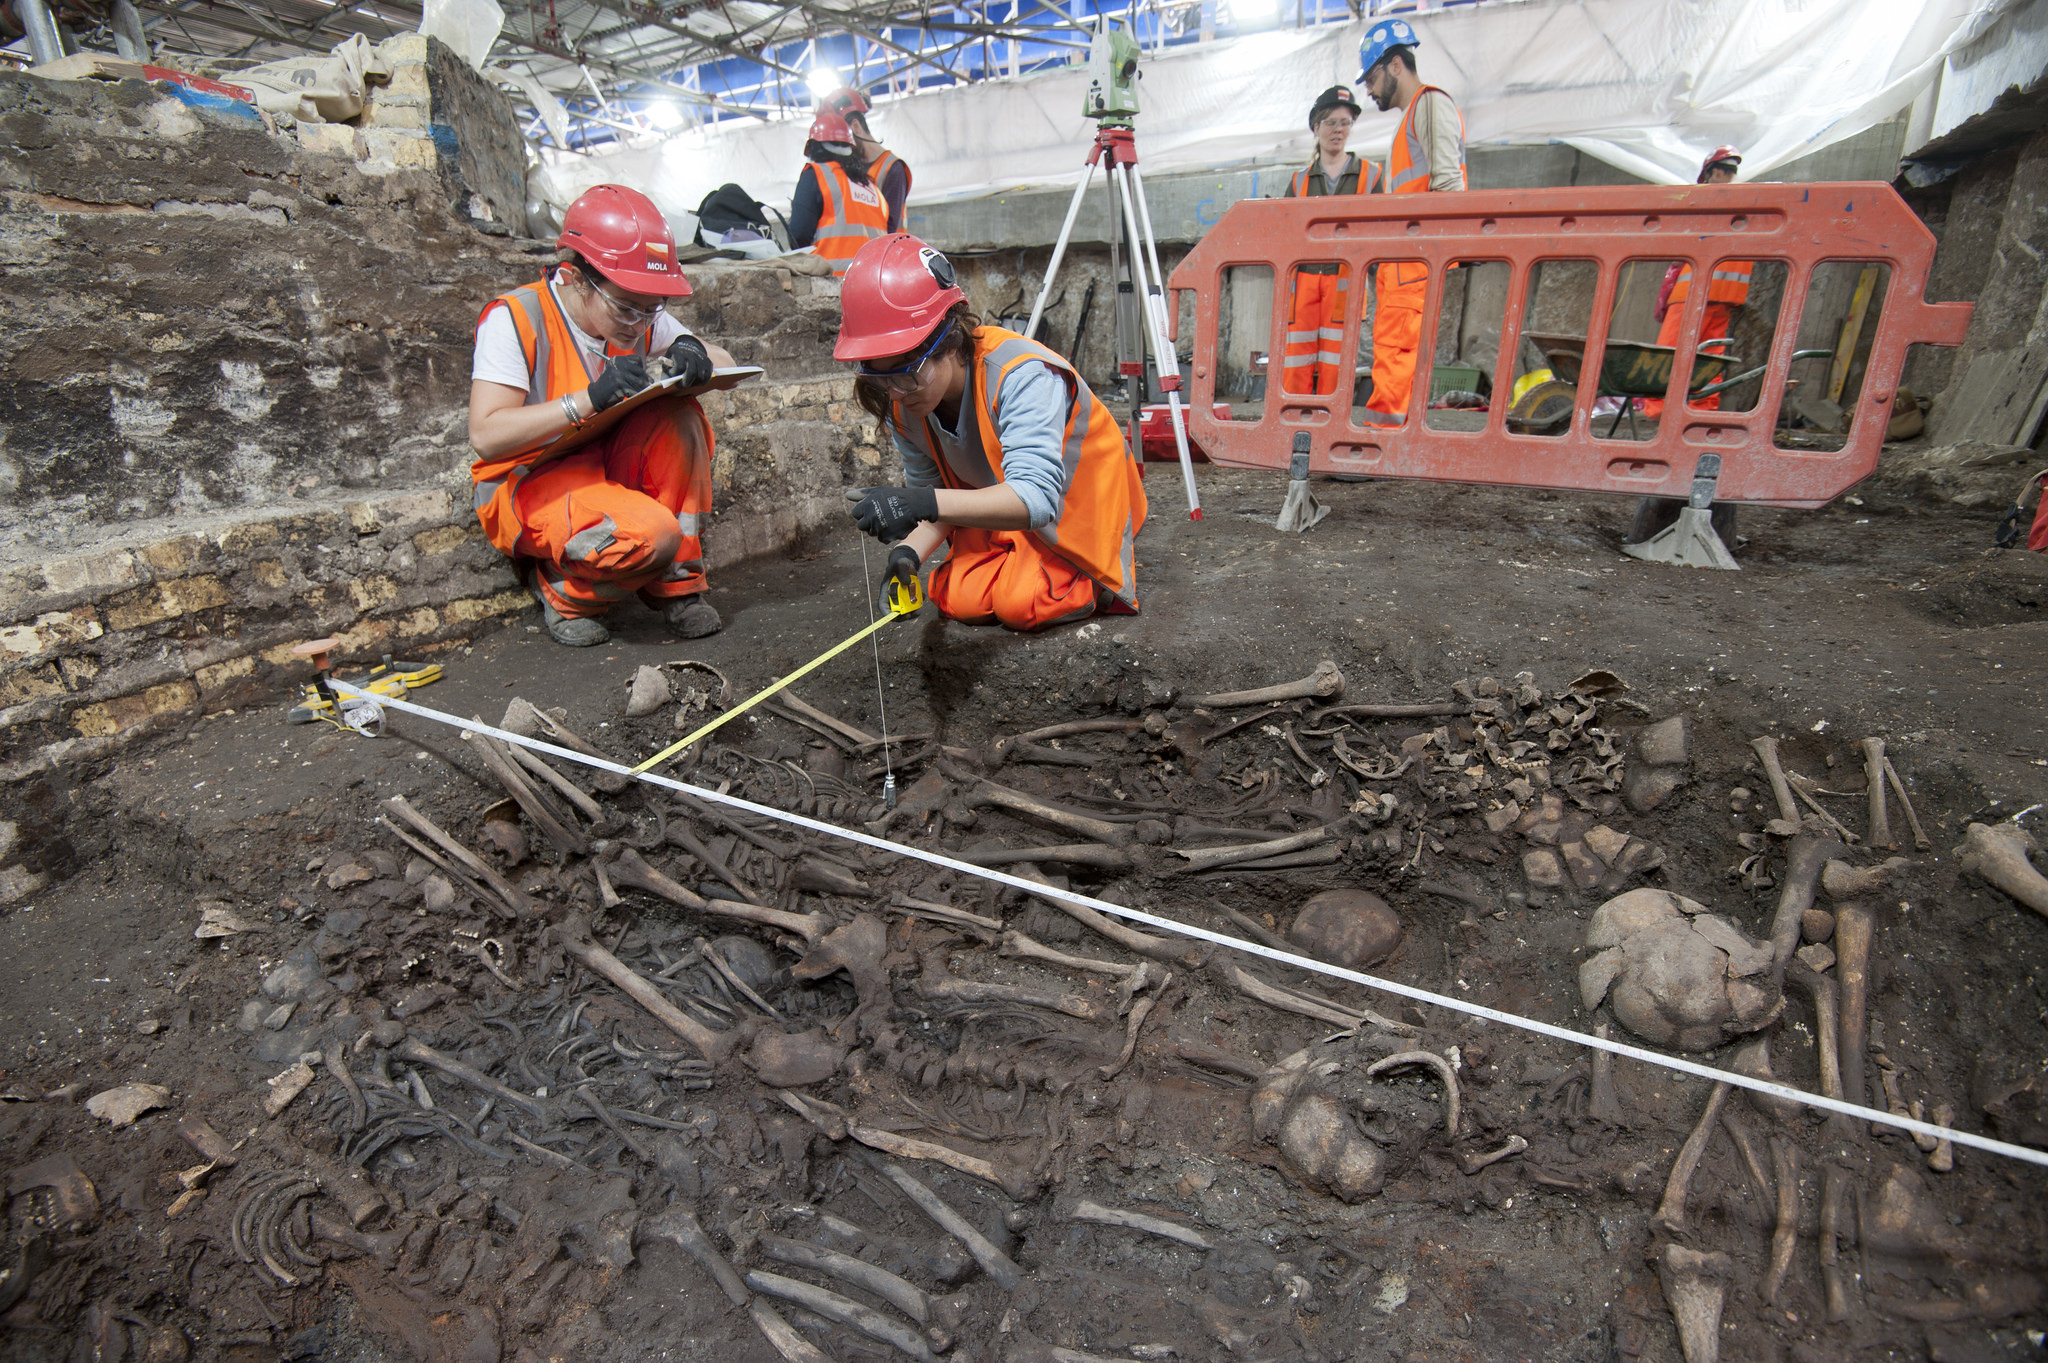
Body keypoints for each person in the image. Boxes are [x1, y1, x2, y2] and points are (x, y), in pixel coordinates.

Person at [468, 184, 736, 647]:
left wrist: (696, 352)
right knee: (652, 535)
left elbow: (728, 366)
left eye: (653, 310)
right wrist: (587, 399)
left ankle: (675, 583)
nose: (639, 323)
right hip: (530, 479)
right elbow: (487, 436)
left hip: (597, 465)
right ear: (574, 277)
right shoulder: (516, 319)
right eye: (627, 308)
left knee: (681, 417)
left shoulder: (636, 313)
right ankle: (566, 591)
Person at [836, 233, 1148, 632]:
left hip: (1077, 510)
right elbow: (939, 505)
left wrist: (920, 501)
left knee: (1023, 603)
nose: (895, 393)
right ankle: (1023, 562)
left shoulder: (1021, 375)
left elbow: (1034, 499)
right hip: (1007, 510)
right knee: (960, 598)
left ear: (948, 342)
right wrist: (907, 554)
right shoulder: (906, 402)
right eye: (880, 379)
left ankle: (1087, 577)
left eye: (906, 374)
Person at [1357, 19, 1465, 420]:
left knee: (1399, 344)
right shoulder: (1413, 116)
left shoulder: (1430, 104)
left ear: (1396, 65)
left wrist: (1435, 250)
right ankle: (1387, 431)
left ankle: (1384, 438)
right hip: (1406, 256)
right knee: (1392, 344)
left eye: (1371, 77)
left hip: (1416, 257)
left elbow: (1448, 186)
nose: (1368, 90)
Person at [1281, 84, 1379, 396]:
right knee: (1296, 364)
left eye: (1345, 122)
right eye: (1331, 122)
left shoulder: (1372, 176)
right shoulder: (1299, 181)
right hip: (1304, 284)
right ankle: (1294, 425)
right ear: (1316, 127)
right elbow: (1285, 237)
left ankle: (1328, 426)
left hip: (1345, 284)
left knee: (1337, 365)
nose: (1338, 130)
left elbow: (1379, 235)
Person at [1643, 146, 1749, 420]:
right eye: (1724, 170)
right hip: (1713, 294)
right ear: (1711, 172)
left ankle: (1677, 410)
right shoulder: (1744, 204)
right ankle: (1685, 409)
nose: (1727, 175)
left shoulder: (1702, 202)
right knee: (1705, 356)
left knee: (1684, 354)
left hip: (1702, 293)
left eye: (1730, 171)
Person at [789, 110, 889, 275]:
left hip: (831, 286)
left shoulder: (816, 175)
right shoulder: (873, 188)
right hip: (874, 285)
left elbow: (798, 235)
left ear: (814, 148)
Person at [822, 87, 911, 233]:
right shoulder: (851, 171)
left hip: (888, 254)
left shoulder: (892, 170)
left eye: (844, 140)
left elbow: (888, 230)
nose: (842, 148)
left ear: (856, 127)